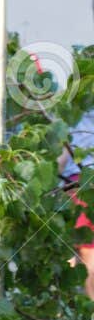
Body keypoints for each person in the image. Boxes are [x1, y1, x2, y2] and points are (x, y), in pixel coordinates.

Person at [60, 107, 94, 301]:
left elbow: (61, 158)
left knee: (78, 252)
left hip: (76, 184)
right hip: (79, 184)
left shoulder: (73, 112)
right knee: (86, 253)